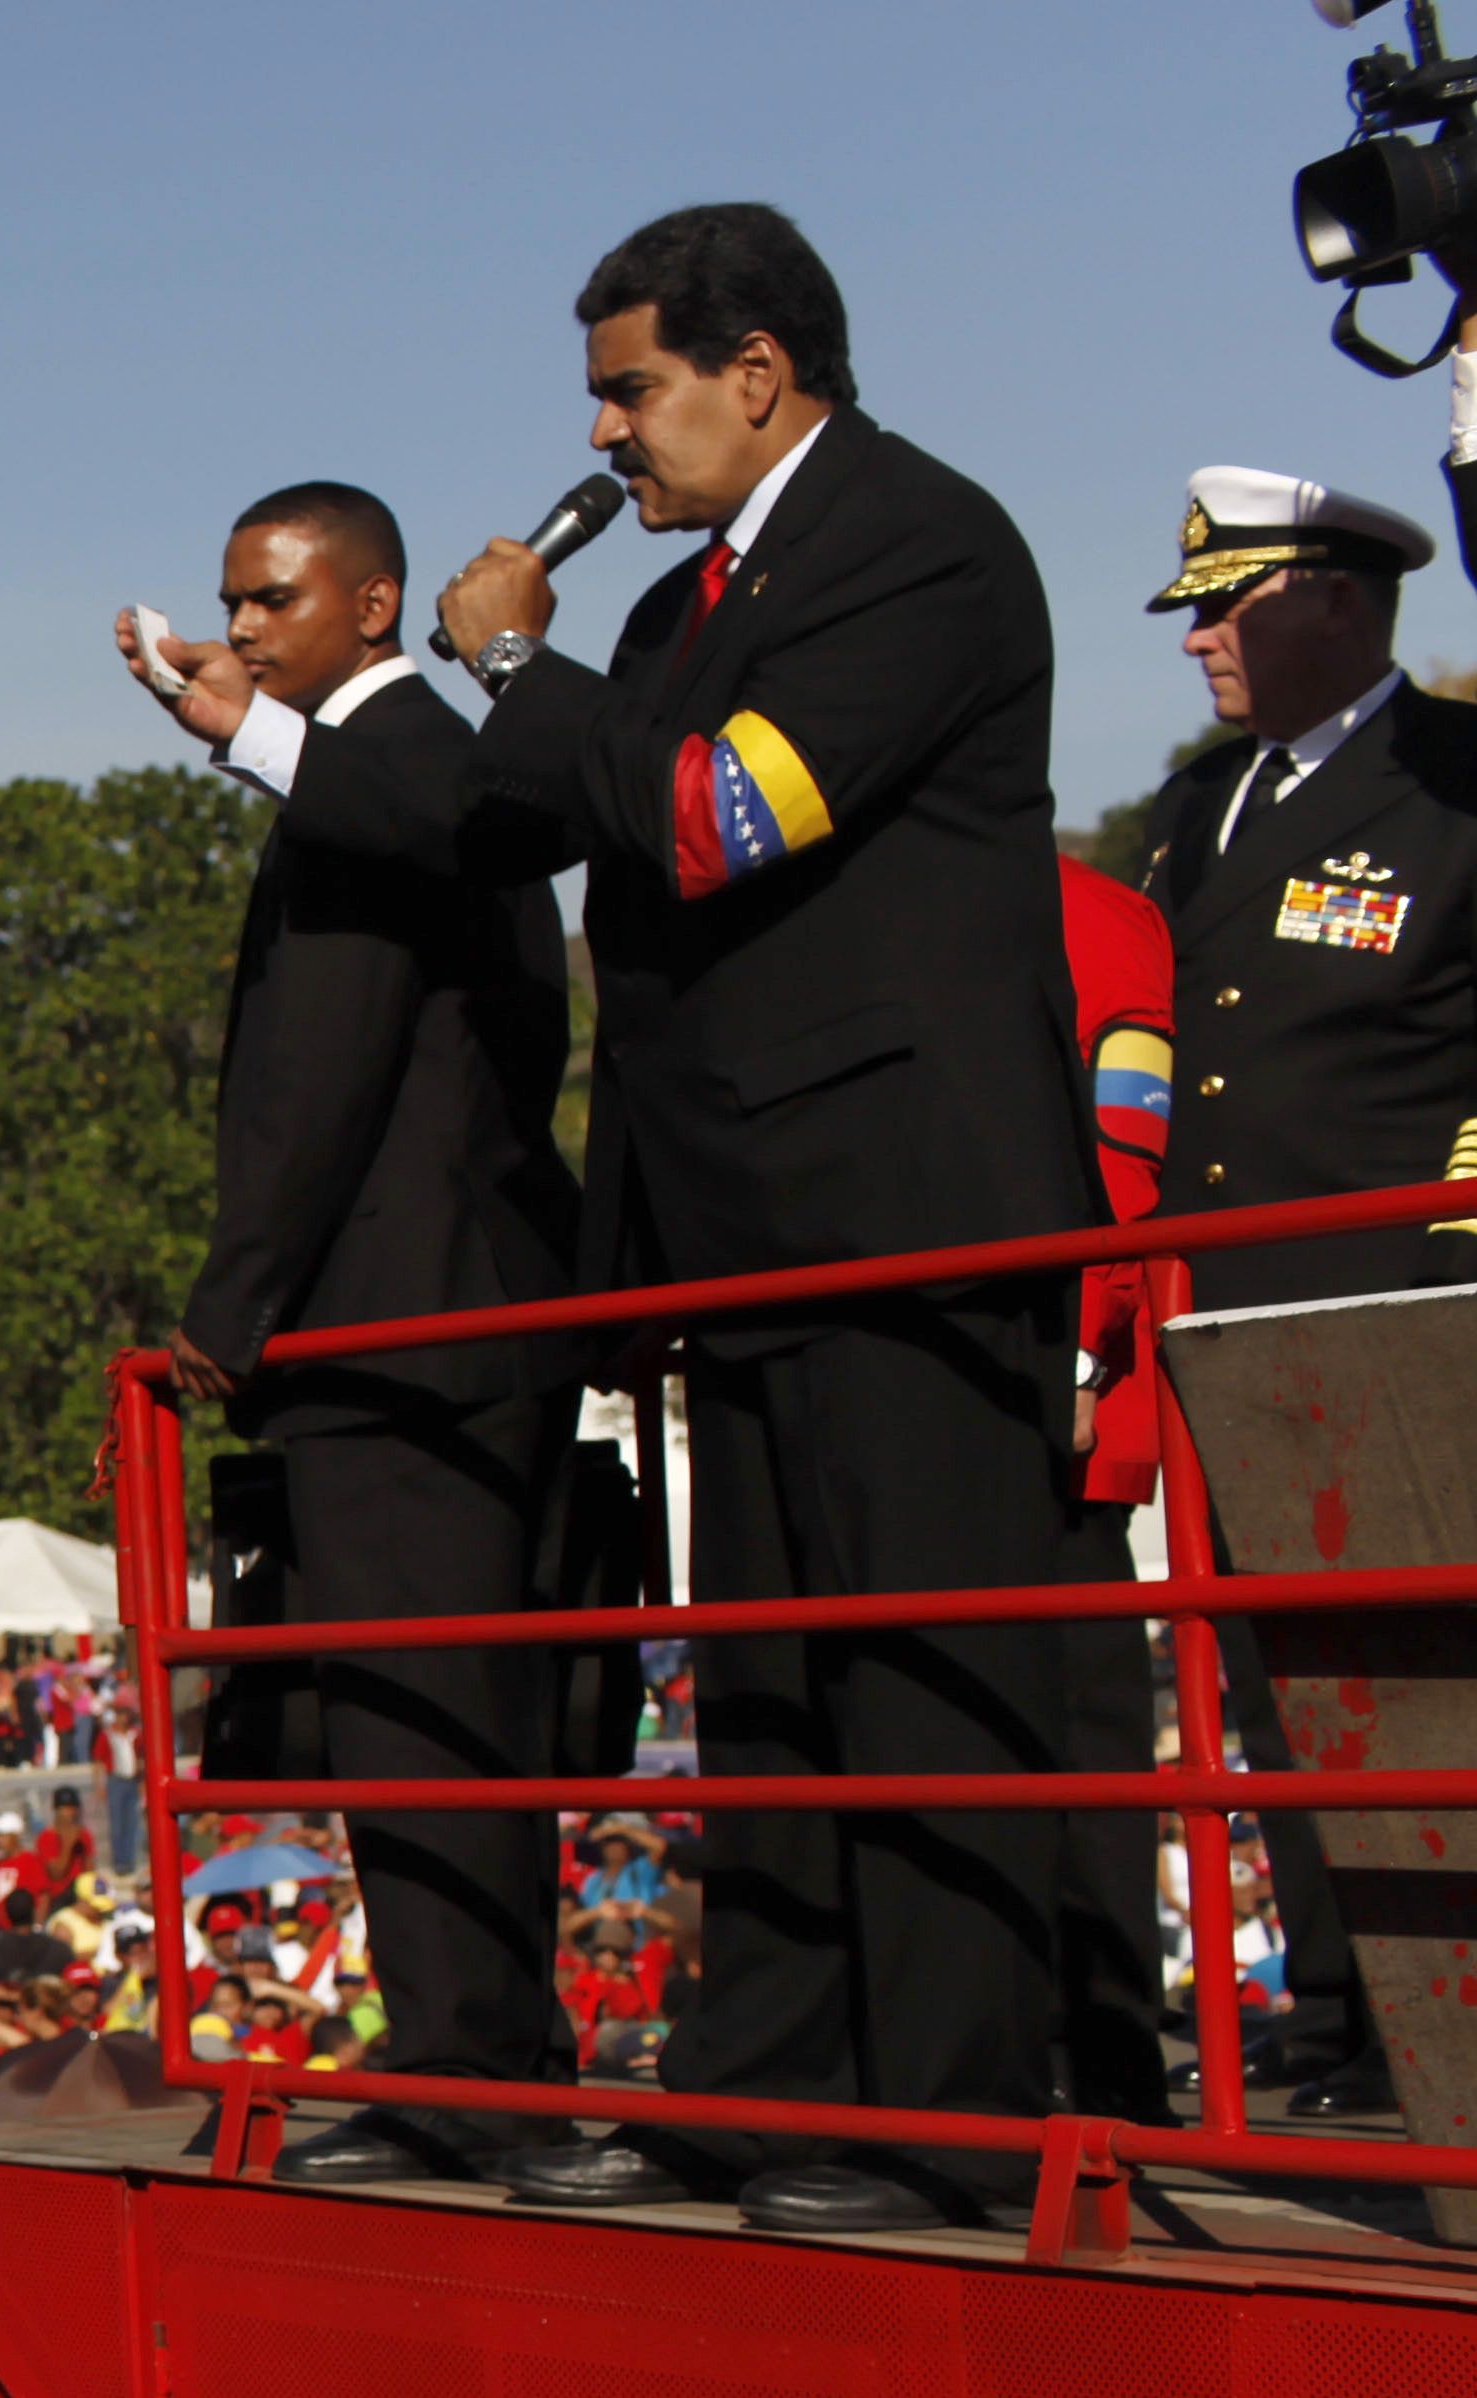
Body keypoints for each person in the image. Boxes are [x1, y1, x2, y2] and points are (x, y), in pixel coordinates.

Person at [431, 201, 1127, 2228]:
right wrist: (304, 728)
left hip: (905, 1204)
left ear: (759, 373)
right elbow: (531, 814)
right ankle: (778, 2077)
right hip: (738, 1227)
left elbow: (715, 819)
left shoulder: (919, 541)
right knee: (769, 1687)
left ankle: (951, 2124)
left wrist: (505, 664)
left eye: (631, 393)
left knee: (920, 1677)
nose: (606, 443)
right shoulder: (670, 611)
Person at [127, 477, 588, 2181]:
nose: (238, 634)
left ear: (374, 607)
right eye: (231, 601)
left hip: (397, 1329)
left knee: (420, 1713)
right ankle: (496, 2051)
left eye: (271, 601)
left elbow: (315, 1087)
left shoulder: (391, 787)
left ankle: (470, 2073)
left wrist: (231, 1306)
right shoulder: (396, 783)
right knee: (457, 1708)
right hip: (468, 1316)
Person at [1136, 462, 1477, 2116]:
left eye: (1227, 601)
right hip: (1223, 1303)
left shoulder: (1459, 777)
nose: (1196, 635)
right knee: (1278, 1691)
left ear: (1336, 599)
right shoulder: (1195, 809)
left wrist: (1453, 1258)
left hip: (1398, 1296)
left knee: (1423, 1687)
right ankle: (1347, 2017)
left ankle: (1445, 2030)